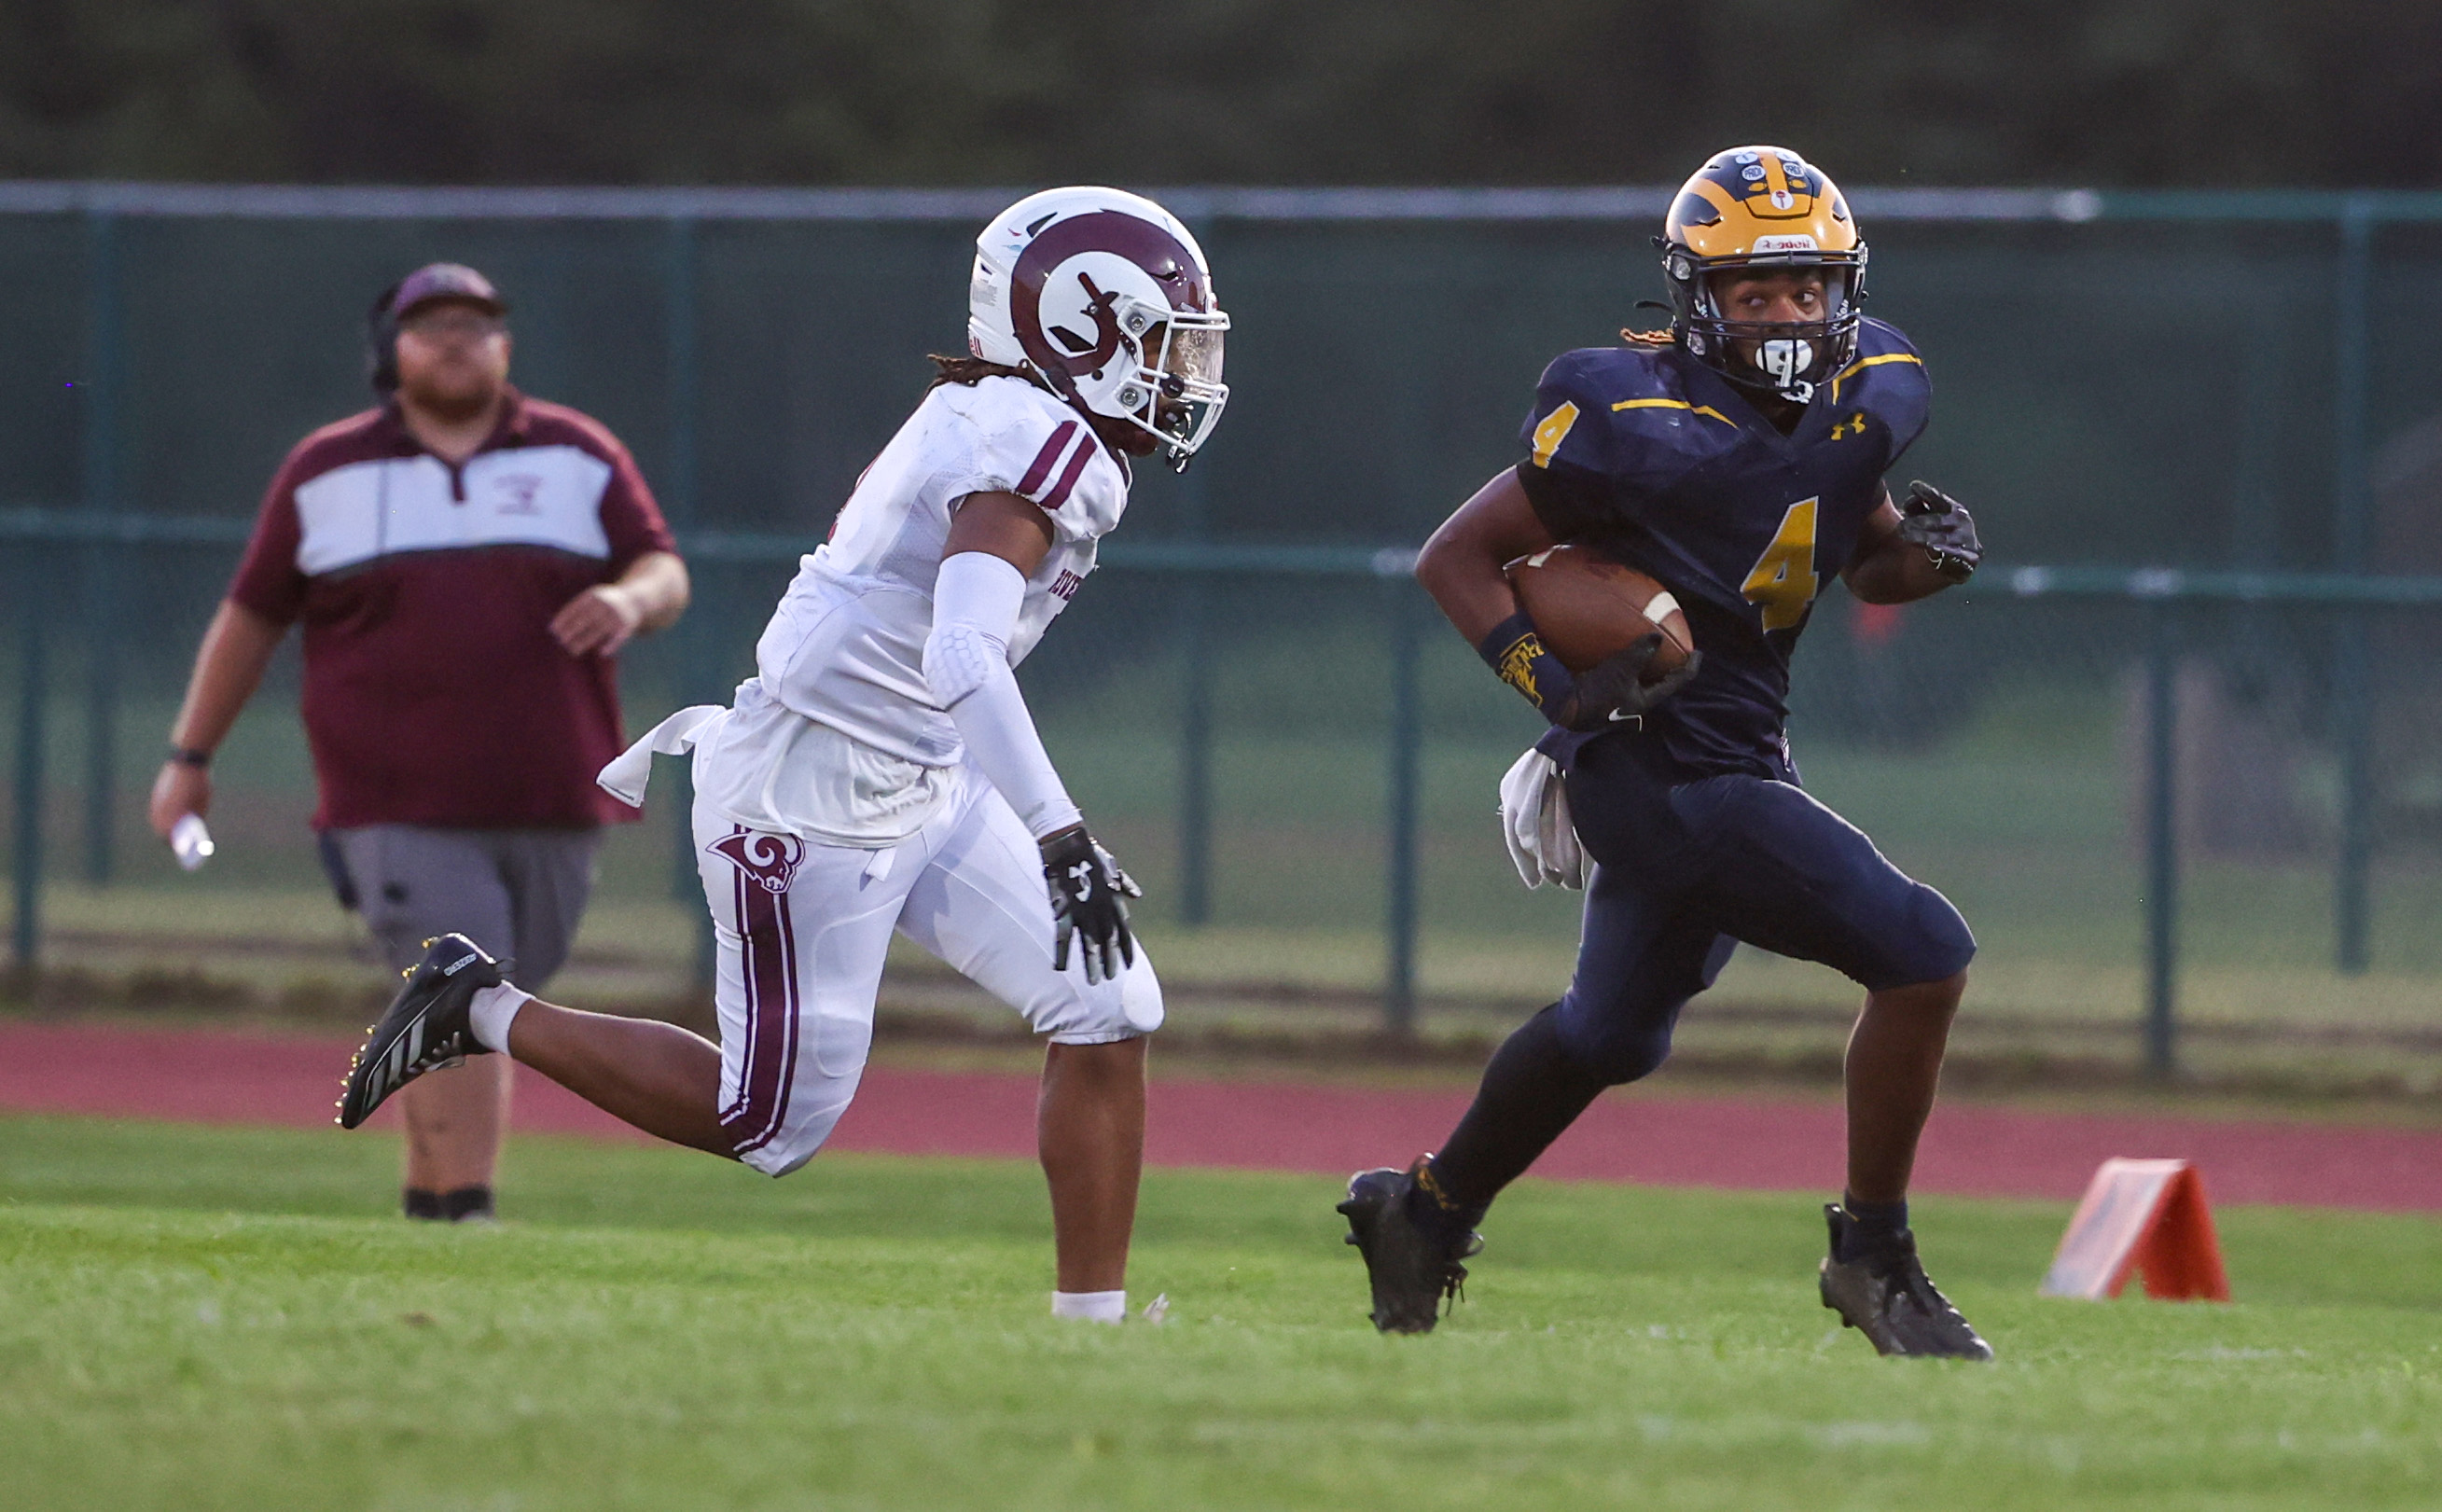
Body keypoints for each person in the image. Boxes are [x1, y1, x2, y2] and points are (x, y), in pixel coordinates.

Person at [335, 188, 1229, 1323]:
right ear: (1077, 330)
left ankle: (1090, 1333)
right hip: (810, 789)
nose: (1181, 374)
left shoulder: (1016, 418)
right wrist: (1060, 834)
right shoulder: (1030, 439)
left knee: (1107, 1006)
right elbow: (961, 648)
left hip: (915, 764)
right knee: (763, 1121)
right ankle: (475, 1007)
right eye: (1161, 341)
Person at [1337, 146, 1993, 1357]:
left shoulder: (1868, 394)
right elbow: (1456, 557)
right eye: (1754, 291)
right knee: (1923, 953)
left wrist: (1928, 559)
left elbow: (1861, 554)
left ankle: (1420, 1214)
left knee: (1610, 1036)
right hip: (1656, 768)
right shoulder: (1627, 416)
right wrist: (1553, 686)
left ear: (1842, 288)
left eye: (1804, 288)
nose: (1785, 314)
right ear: (1698, 297)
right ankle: (1872, 1254)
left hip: (1740, 749)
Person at [150, 262, 691, 1223]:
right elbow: (250, 618)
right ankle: (466, 1213)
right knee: (471, 987)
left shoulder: (575, 452)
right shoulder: (327, 469)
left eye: (475, 323)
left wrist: (626, 597)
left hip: (555, 798)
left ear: (505, 346)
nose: (454, 339)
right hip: (393, 803)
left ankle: (427, 1210)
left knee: (479, 1003)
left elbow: (664, 570)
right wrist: (189, 758)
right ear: (390, 349)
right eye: (430, 323)